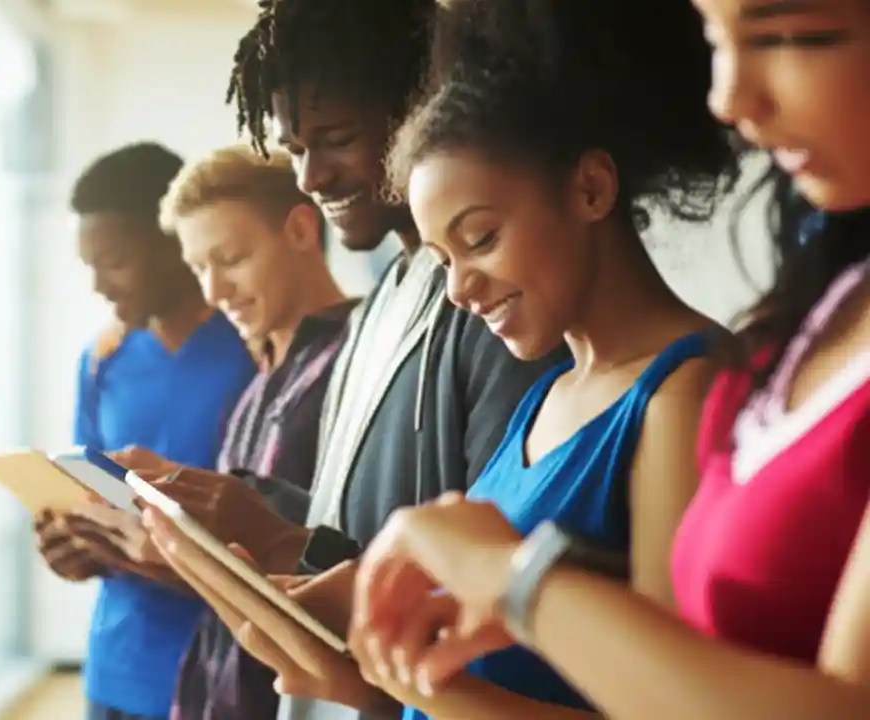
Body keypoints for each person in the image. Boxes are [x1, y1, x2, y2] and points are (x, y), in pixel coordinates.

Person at [349, 0, 870, 718]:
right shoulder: (799, 331)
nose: (727, 98)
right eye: (715, 40)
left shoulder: (684, 389)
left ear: (592, 189)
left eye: (794, 35)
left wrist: (512, 582)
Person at [120, 2, 564, 718]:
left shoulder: (490, 311)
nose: (310, 176)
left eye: (335, 140)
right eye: (295, 148)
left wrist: (280, 537)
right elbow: (353, 515)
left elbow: (483, 583)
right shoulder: (384, 296)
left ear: (420, 110)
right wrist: (242, 515)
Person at [33, 142, 257, 720]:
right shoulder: (101, 360)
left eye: (114, 262)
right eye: (89, 266)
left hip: (219, 672)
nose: (100, 286)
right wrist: (72, 545)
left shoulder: (251, 354)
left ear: (171, 243)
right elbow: (86, 490)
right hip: (114, 670)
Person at [156, 145, 355, 720]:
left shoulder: (359, 364)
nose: (214, 291)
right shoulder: (257, 384)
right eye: (199, 268)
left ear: (299, 229)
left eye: (232, 258)